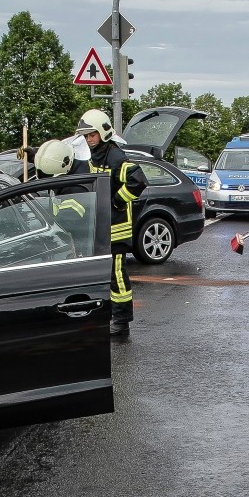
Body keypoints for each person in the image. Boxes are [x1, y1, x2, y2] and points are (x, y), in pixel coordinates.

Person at [75, 109, 146, 336]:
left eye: (92, 135)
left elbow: (138, 180)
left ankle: (122, 322)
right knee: (106, 275)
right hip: (103, 228)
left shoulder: (115, 157)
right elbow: (75, 166)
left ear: (103, 133)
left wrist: (116, 200)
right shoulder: (96, 156)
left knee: (117, 276)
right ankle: (112, 316)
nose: (89, 139)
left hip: (117, 229)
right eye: (86, 136)